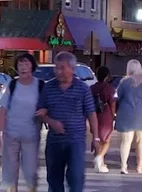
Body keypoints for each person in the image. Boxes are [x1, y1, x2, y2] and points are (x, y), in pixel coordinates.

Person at [36, 52, 100, 192]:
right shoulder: (49, 87)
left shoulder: (83, 88)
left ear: (72, 69)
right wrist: (50, 121)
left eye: (62, 68)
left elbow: (91, 113)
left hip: (75, 141)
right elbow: (40, 111)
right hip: (54, 141)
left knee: (76, 178)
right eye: (56, 68)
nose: (58, 72)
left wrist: (96, 137)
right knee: (54, 180)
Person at [0, 53, 43, 192]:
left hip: (31, 136)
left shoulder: (39, 85)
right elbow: (2, 111)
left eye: (27, 64)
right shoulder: (12, 85)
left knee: (30, 172)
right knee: (9, 172)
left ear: (32, 66)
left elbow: (47, 107)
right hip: (11, 135)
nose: (23, 68)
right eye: (20, 64)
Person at [114, 59, 142, 174]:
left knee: (126, 141)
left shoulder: (124, 82)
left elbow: (118, 96)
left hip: (126, 114)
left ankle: (123, 167)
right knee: (140, 142)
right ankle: (139, 166)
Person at [90, 66, 116, 173]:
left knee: (97, 138)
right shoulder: (109, 89)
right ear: (107, 76)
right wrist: (114, 115)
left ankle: (100, 163)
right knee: (106, 140)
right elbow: (113, 103)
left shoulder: (91, 88)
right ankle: (99, 158)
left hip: (94, 115)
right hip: (106, 115)